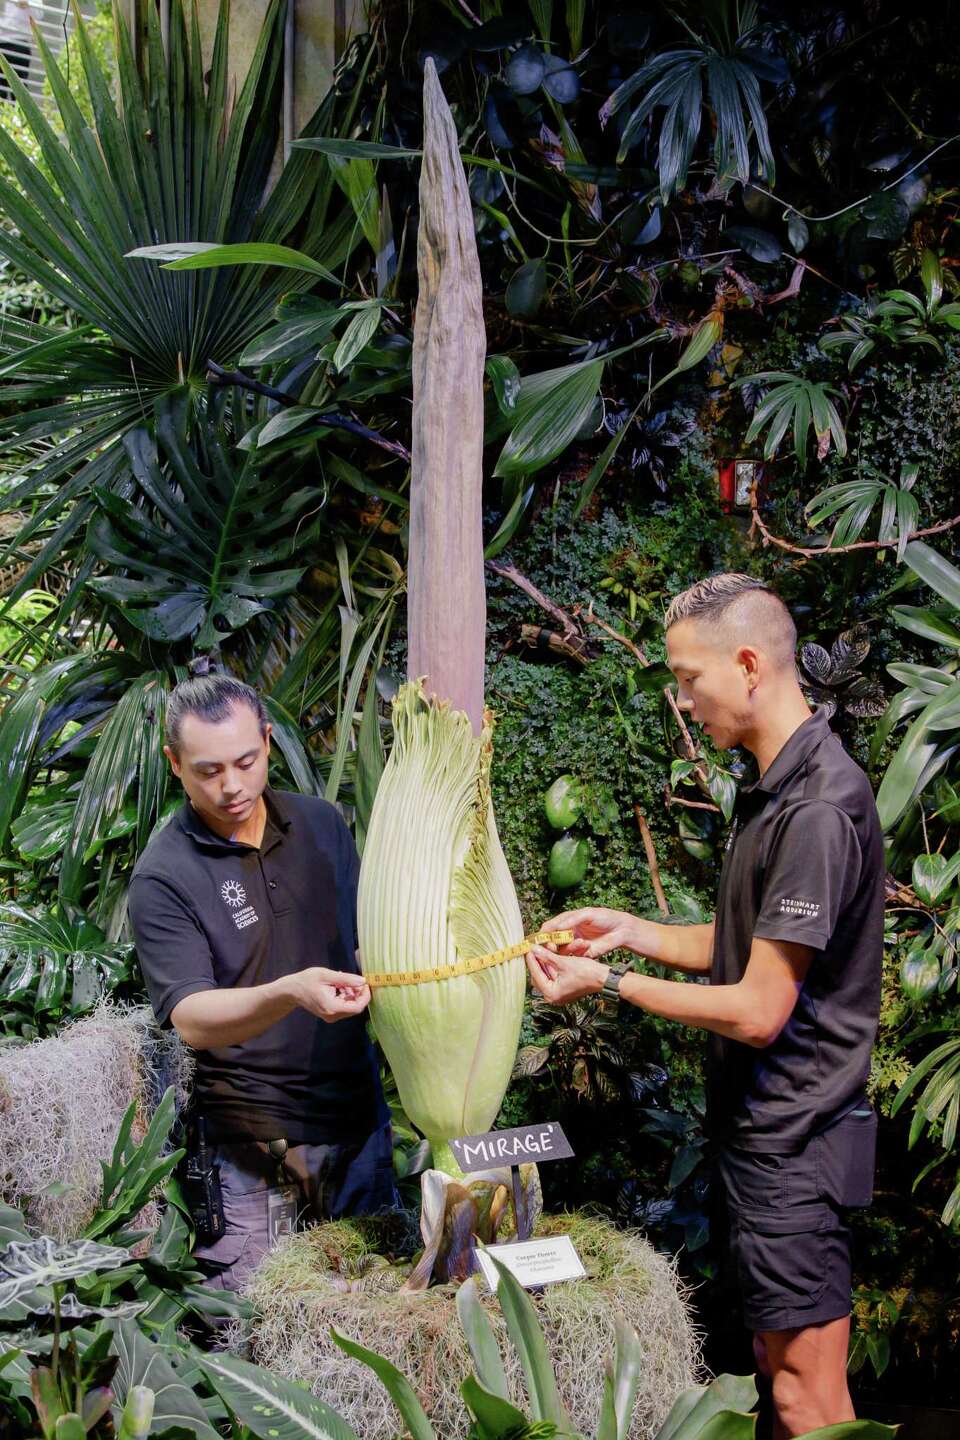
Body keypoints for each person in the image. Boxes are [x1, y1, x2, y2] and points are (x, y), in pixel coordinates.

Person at [526, 574, 883, 1440]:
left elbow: (761, 1009)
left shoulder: (817, 811)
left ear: (750, 664)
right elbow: (745, 951)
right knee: (776, 1374)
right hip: (766, 1144)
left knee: (808, 1399)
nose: (685, 701)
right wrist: (630, 932)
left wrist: (606, 985)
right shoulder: (771, 788)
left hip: (796, 1146)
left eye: (690, 678)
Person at [128, 672, 395, 1292]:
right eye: (208, 770)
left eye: (246, 762)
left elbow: (366, 946)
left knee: (373, 1324)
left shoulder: (324, 827)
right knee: (256, 1341)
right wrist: (289, 992)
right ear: (174, 764)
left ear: (268, 743)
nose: (231, 786)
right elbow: (190, 1016)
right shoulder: (164, 874)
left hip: (357, 1128)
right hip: (248, 1148)